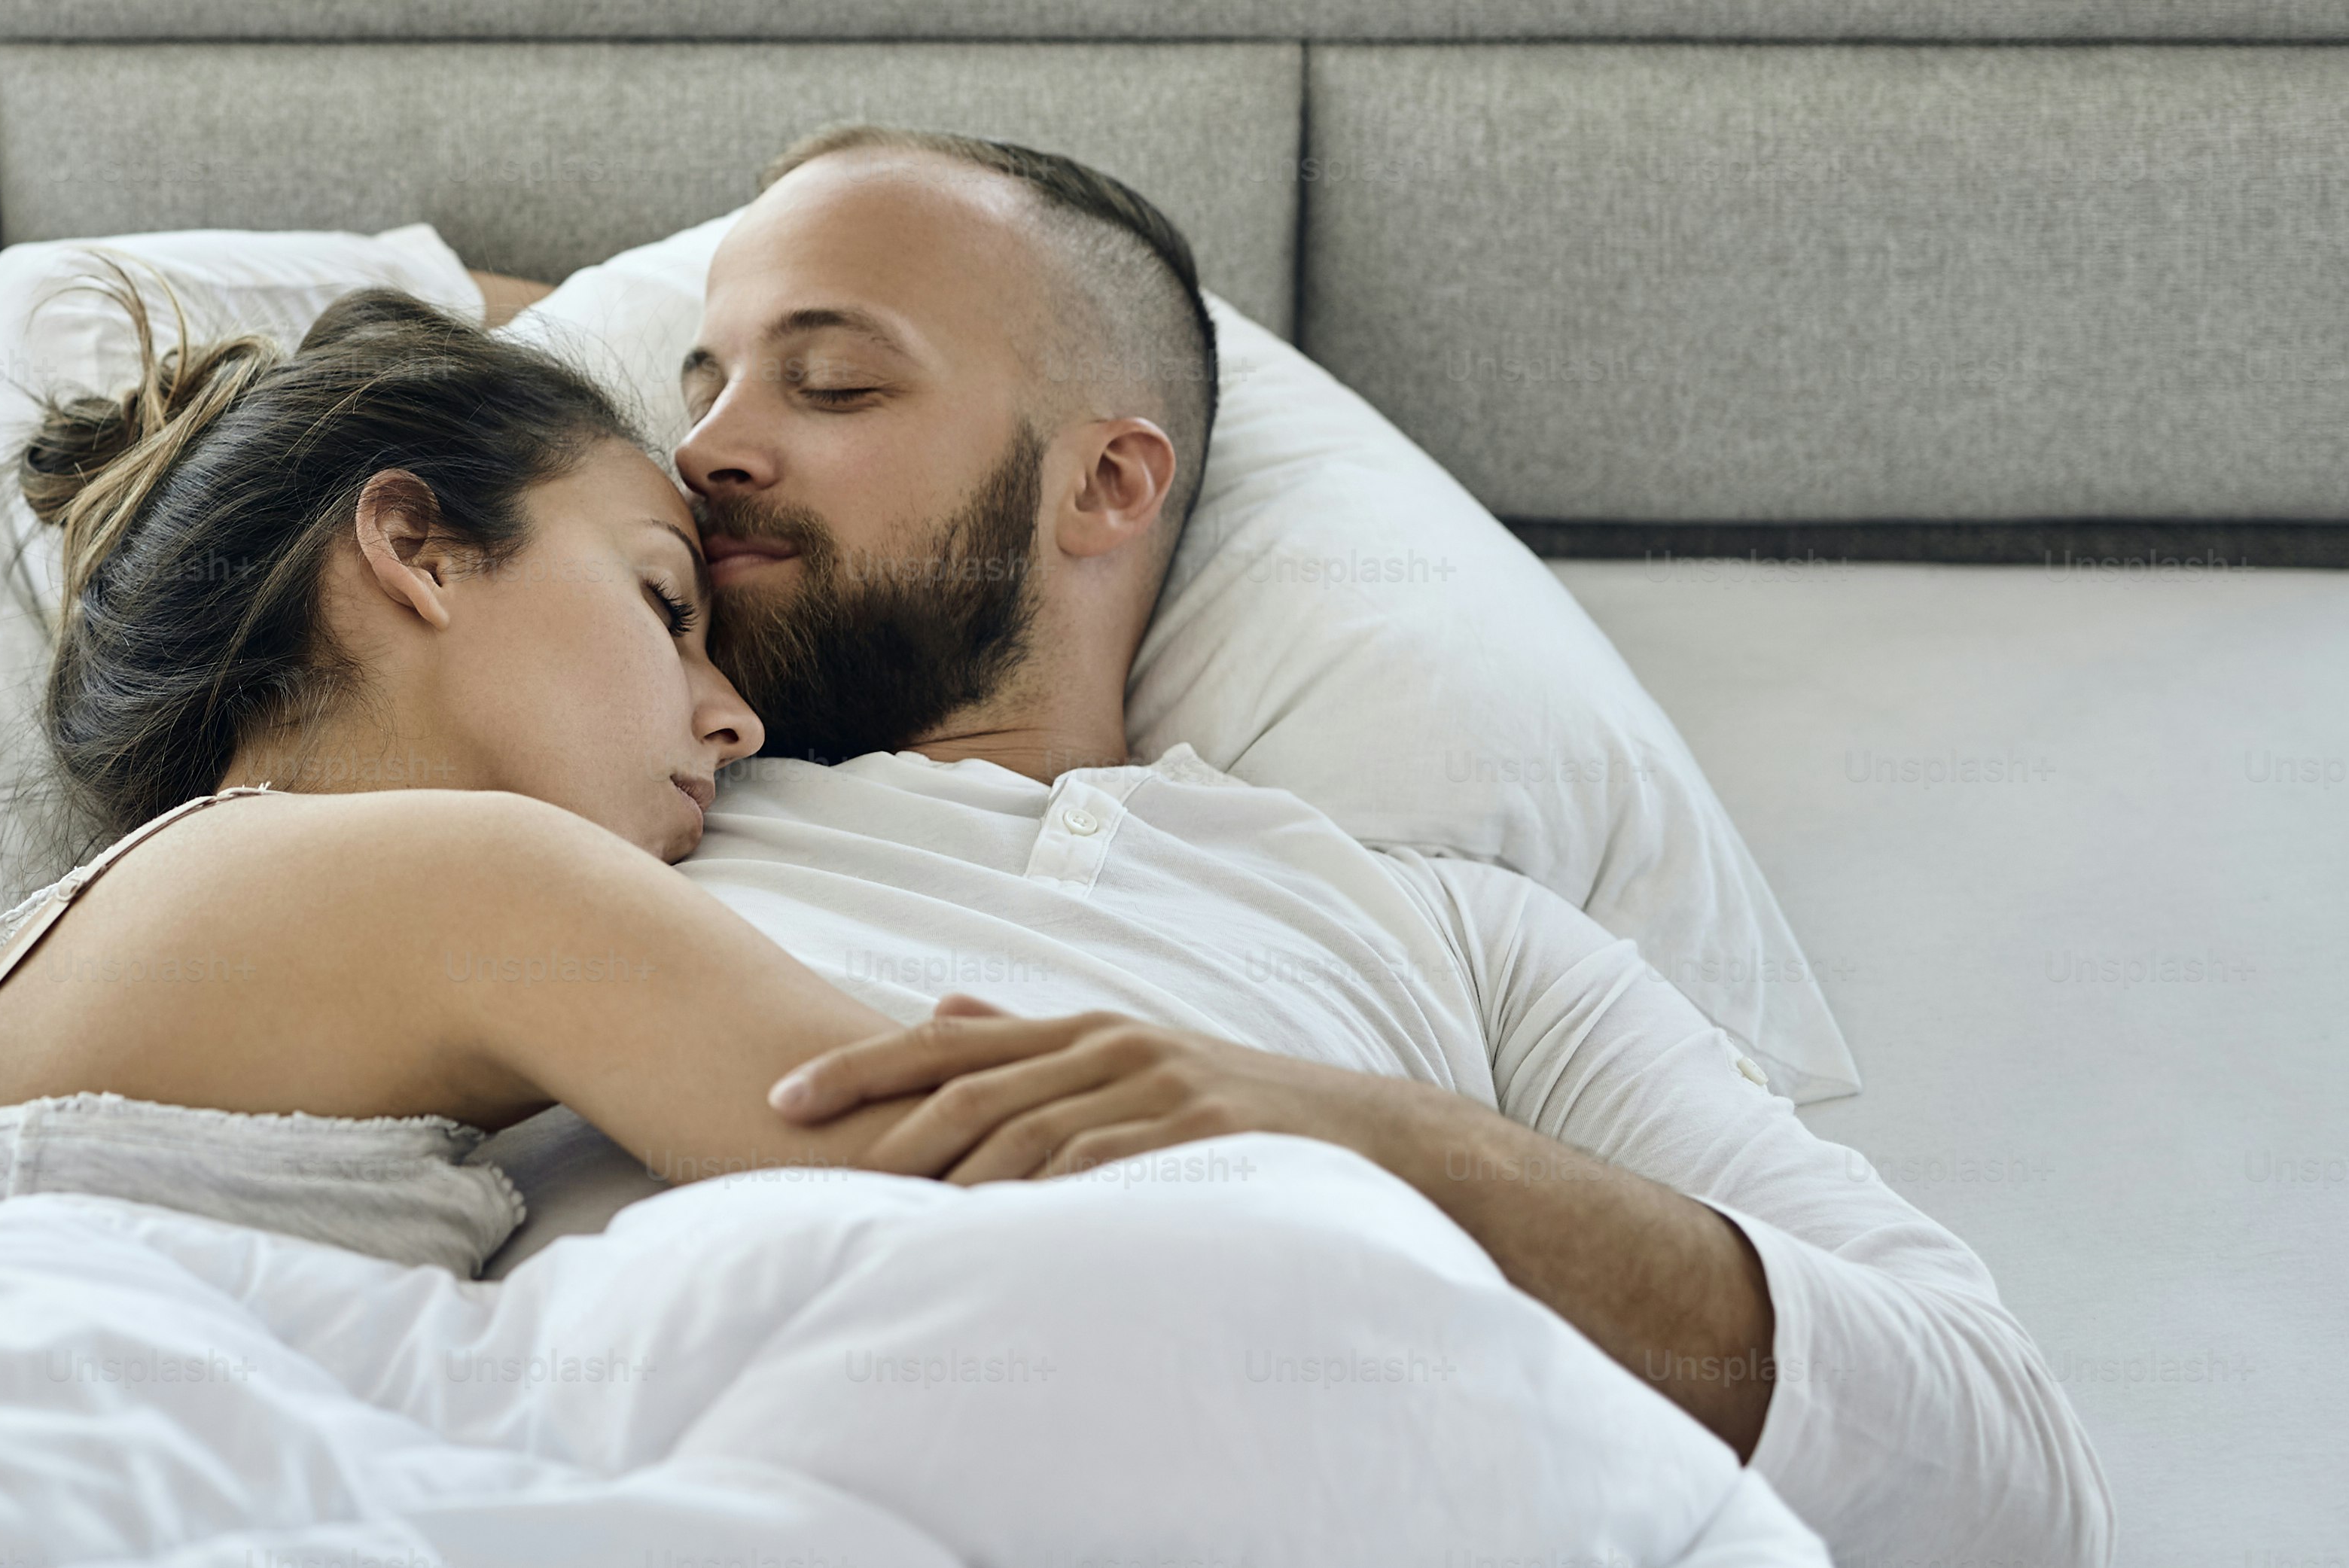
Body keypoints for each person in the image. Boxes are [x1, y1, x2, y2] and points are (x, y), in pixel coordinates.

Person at [577, 122, 2104, 1568]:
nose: (706, 448)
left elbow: (2008, 1482)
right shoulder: (588, 808)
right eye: (696, 385)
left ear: (1107, 482)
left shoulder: (1456, 943)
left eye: (830, 382)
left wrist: (1345, 1134)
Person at [0, 288, 1025, 1286]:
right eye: (663, 602)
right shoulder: (456, 875)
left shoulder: (174, 914)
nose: (733, 717)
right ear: (415, 549)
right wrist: (1243, 1100)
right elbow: (972, 1168)